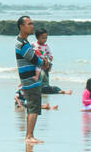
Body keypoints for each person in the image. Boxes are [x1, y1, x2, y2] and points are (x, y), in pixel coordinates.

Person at [15, 16, 47, 144]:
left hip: (26, 79)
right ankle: (29, 136)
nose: (32, 26)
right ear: (21, 26)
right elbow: (34, 59)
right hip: (30, 80)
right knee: (34, 108)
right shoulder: (22, 43)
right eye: (29, 24)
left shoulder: (23, 42)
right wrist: (44, 62)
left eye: (32, 24)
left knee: (30, 108)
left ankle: (29, 135)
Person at [34, 29, 72, 95]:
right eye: (43, 38)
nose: (45, 39)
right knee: (47, 88)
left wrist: (50, 57)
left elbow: (49, 53)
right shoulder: (33, 44)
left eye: (46, 38)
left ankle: (61, 91)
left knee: (55, 87)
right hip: (41, 87)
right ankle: (61, 92)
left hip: (43, 61)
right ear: (37, 37)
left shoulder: (46, 46)